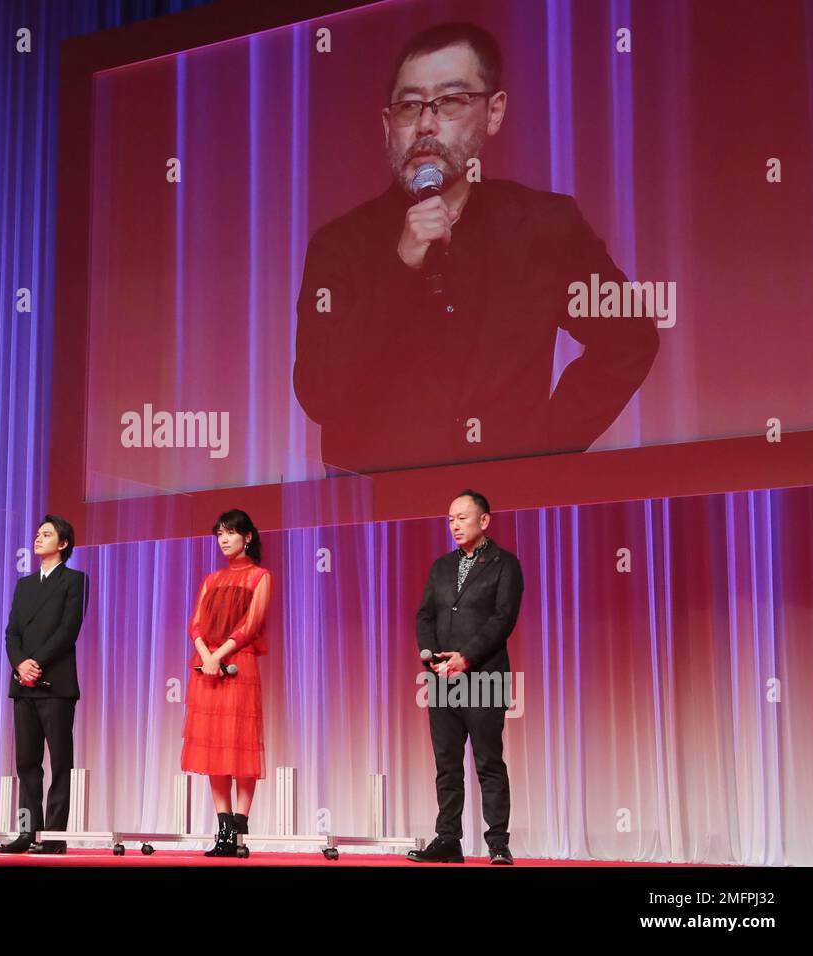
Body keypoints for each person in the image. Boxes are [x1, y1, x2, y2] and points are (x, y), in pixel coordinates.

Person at [294, 21, 659, 475]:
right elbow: (319, 393)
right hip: (381, 524)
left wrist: (541, 449)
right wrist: (400, 266)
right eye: (409, 107)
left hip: (507, 512)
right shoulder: (341, 245)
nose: (426, 123)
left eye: (450, 102)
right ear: (388, 126)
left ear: (494, 111)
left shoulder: (544, 226)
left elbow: (629, 337)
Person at [408, 489, 522, 864]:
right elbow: (425, 615)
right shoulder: (441, 566)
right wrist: (430, 658)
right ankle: (448, 840)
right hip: (441, 678)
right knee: (447, 763)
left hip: (483, 675)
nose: (455, 525)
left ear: (484, 521)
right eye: (451, 519)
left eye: (463, 518)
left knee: (488, 761)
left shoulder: (504, 564)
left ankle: (498, 844)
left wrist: (466, 657)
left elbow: (502, 619)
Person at [181, 509, 272, 857]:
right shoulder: (211, 579)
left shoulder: (261, 576)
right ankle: (222, 830)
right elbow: (196, 624)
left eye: (231, 532)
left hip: (239, 666)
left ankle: (239, 829)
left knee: (241, 748)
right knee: (212, 749)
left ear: (247, 536)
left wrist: (220, 657)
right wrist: (207, 655)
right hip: (208, 668)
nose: (224, 539)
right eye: (219, 533)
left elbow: (251, 625)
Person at [0, 515, 89, 854]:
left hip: (56, 683)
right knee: (26, 762)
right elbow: (12, 633)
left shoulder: (75, 580)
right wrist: (21, 664)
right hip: (24, 683)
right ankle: (26, 831)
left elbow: (68, 630)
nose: (38, 538)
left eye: (46, 534)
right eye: (37, 534)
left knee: (60, 761)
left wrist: (37, 663)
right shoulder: (24, 584)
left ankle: (53, 836)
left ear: (62, 544)